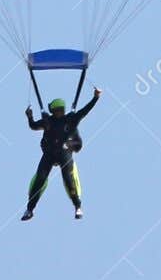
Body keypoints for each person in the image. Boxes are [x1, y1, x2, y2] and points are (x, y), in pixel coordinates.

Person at [22, 88, 101, 221]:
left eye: (61, 110)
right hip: (49, 154)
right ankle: (30, 209)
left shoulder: (71, 119)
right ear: (53, 111)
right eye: (57, 110)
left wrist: (95, 98)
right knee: (40, 179)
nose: (59, 112)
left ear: (64, 110)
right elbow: (34, 126)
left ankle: (78, 206)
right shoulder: (48, 121)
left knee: (68, 179)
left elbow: (84, 111)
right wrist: (30, 116)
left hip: (64, 153)